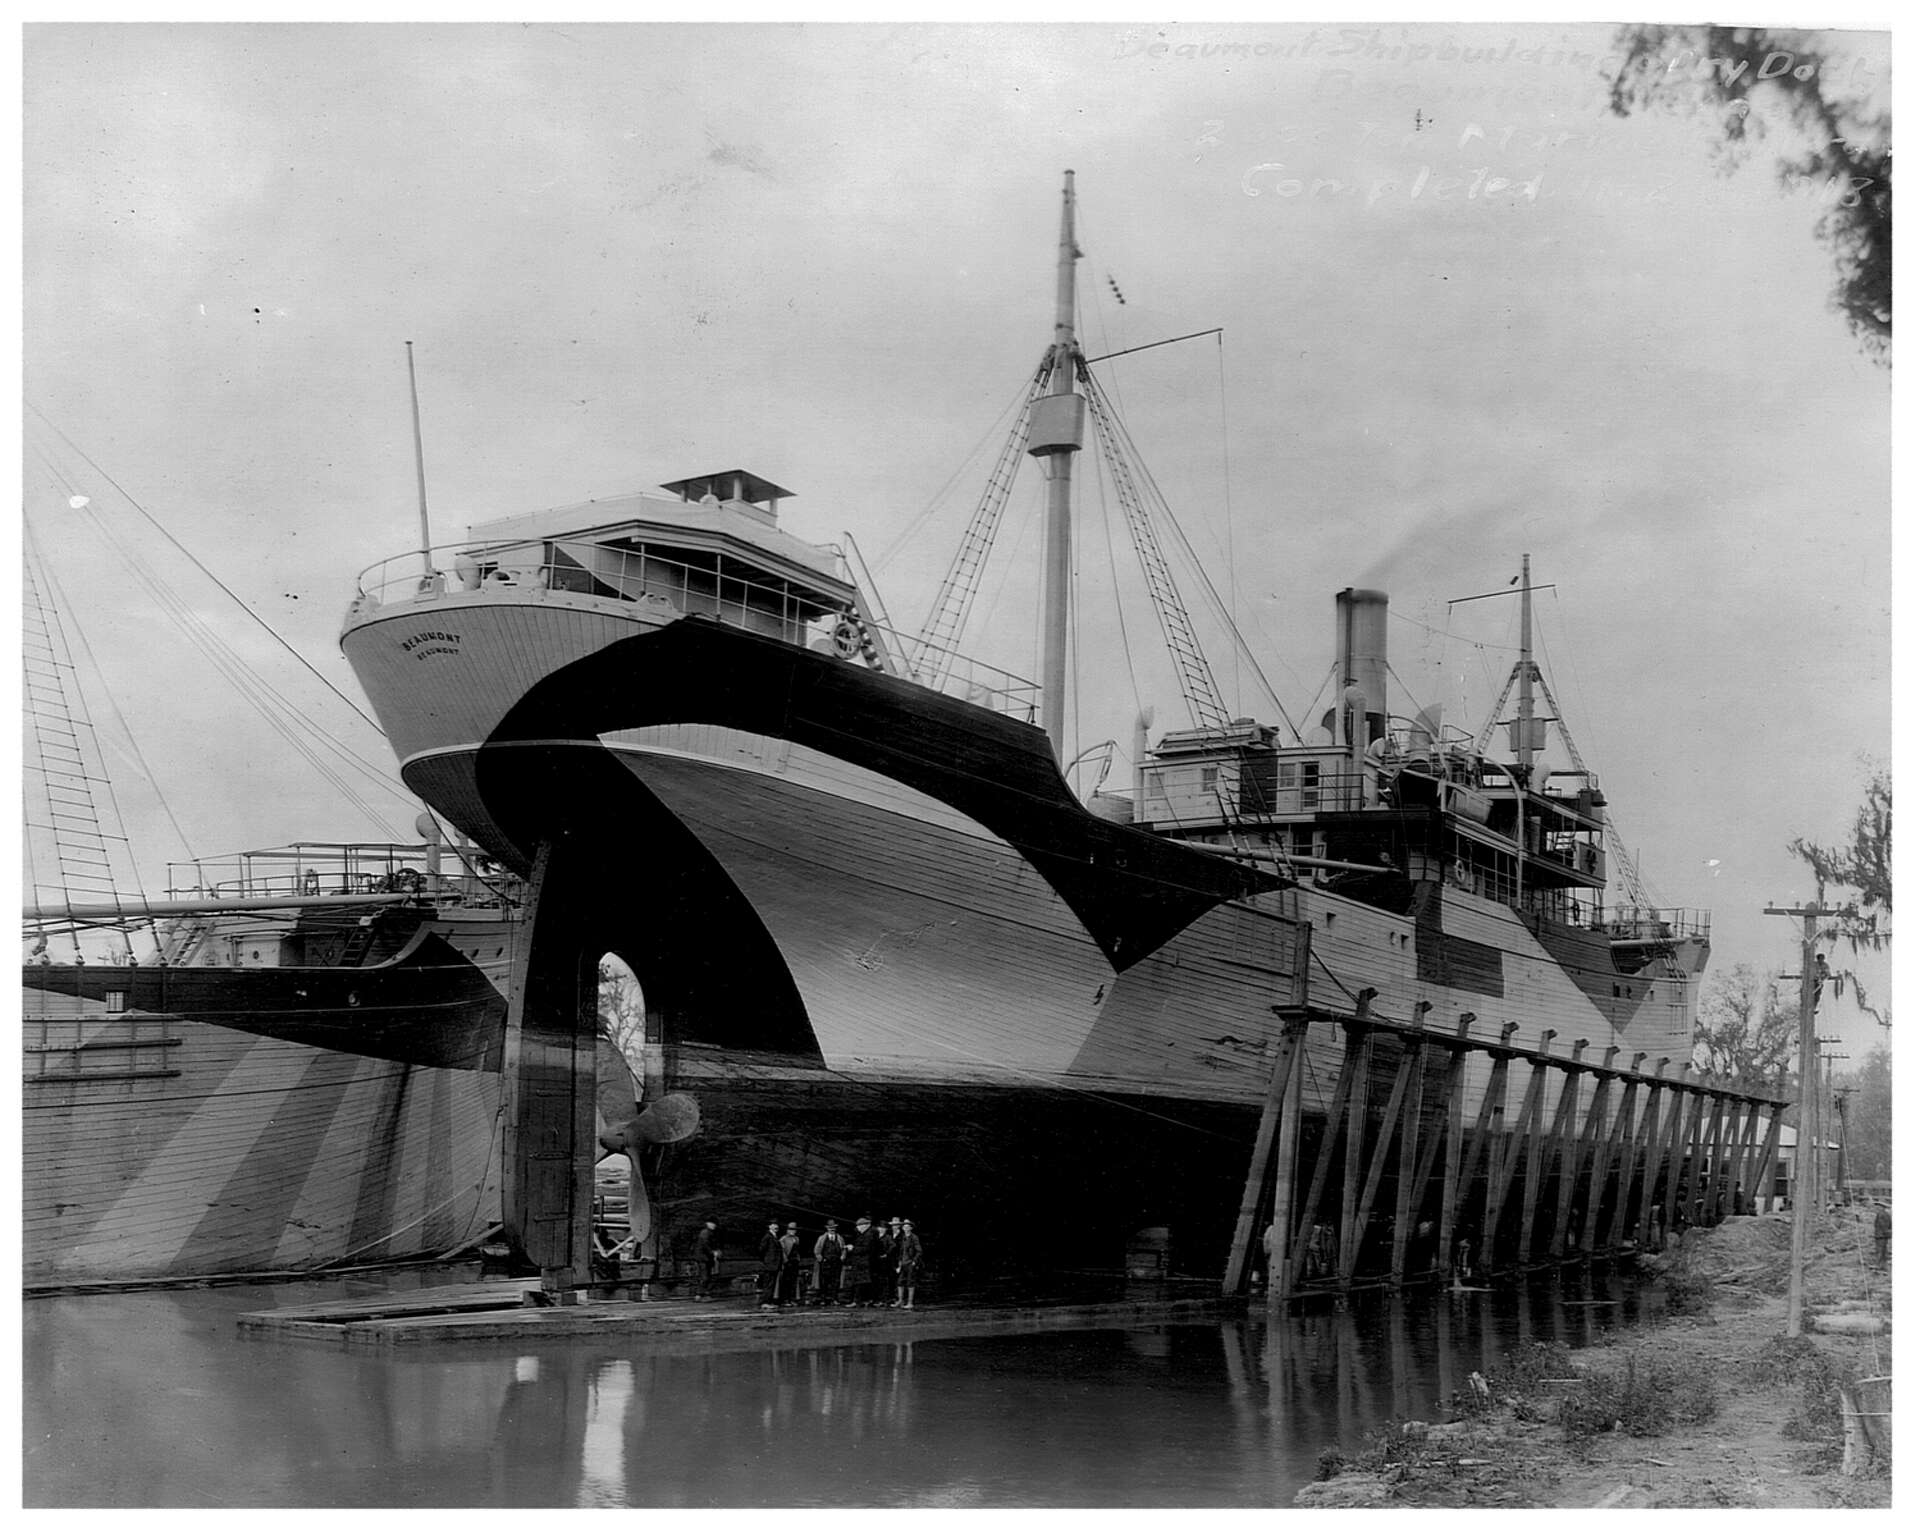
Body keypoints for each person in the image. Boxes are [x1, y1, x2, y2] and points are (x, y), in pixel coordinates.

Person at [812, 1219, 847, 1305]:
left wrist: (842, 1257)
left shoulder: (839, 1238)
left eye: (833, 1228)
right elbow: (817, 1250)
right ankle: (823, 1298)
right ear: (827, 1228)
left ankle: (834, 1298)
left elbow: (843, 1249)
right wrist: (821, 1259)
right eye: (830, 1228)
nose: (832, 1229)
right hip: (825, 1262)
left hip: (836, 1262)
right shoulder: (822, 1238)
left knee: (835, 1281)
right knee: (824, 1281)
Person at [848, 1215, 880, 1306]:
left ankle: (858, 1301)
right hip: (864, 1262)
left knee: (860, 1282)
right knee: (864, 1282)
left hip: (864, 1262)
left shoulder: (869, 1235)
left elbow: (866, 1248)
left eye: (858, 1226)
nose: (857, 1228)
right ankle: (865, 1300)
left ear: (864, 1226)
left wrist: (853, 1248)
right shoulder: (865, 1234)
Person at [894, 1219, 924, 1309]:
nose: (905, 1228)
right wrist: (899, 1264)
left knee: (910, 1283)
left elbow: (919, 1251)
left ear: (911, 1228)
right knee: (900, 1282)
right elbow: (900, 1251)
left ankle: (910, 1303)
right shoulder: (903, 1237)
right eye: (904, 1226)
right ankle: (900, 1300)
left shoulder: (914, 1237)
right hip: (903, 1263)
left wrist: (914, 1261)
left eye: (907, 1226)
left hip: (910, 1263)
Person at [757, 1219, 783, 1309]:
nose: (776, 1227)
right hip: (770, 1265)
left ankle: (769, 1301)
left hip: (773, 1265)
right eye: (773, 1225)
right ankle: (765, 1302)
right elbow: (761, 1250)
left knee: (771, 1284)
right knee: (768, 1284)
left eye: (777, 1225)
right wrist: (767, 1260)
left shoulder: (774, 1237)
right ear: (769, 1226)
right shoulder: (767, 1237)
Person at [777, 1221, 804, 1306]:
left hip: (794, 1261)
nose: (793, 1231)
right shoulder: (783, 1239)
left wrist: (798, 1258)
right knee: (786, 1281)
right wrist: (785, 1261)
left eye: (794, 1229)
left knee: (793, 1281)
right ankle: (785, 1300)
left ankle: (792, 1299)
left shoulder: (796, 1239)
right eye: (791, 1229)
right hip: (787, 1262)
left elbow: (797, 1250)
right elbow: (782, 1251)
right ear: (787, 1230)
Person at [693, 1219, 720, 1301]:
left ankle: (703, 1294)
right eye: (713, 1224)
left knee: (707, 1276)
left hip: (705, 1258)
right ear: (708, 1224)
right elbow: (705, 1245)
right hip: (703, 1258)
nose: (714, 1226)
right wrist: (713, 1252)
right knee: (705, 1277)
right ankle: (700, 1294)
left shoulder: (707, 1233)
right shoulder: (705, 1233)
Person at [878, 1217, 903, 1305]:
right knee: (887, 1279)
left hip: (896, 1260)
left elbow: (896, 1247)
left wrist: (887, 1254)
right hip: (886, 1261)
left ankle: (896, 1298)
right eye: (892, 1225)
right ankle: (887, 1298)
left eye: (896, 1225)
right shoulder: (889, 1235)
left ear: (899, 1226)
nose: (894, 1227)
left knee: (895, 1279)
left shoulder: (902, 1235)